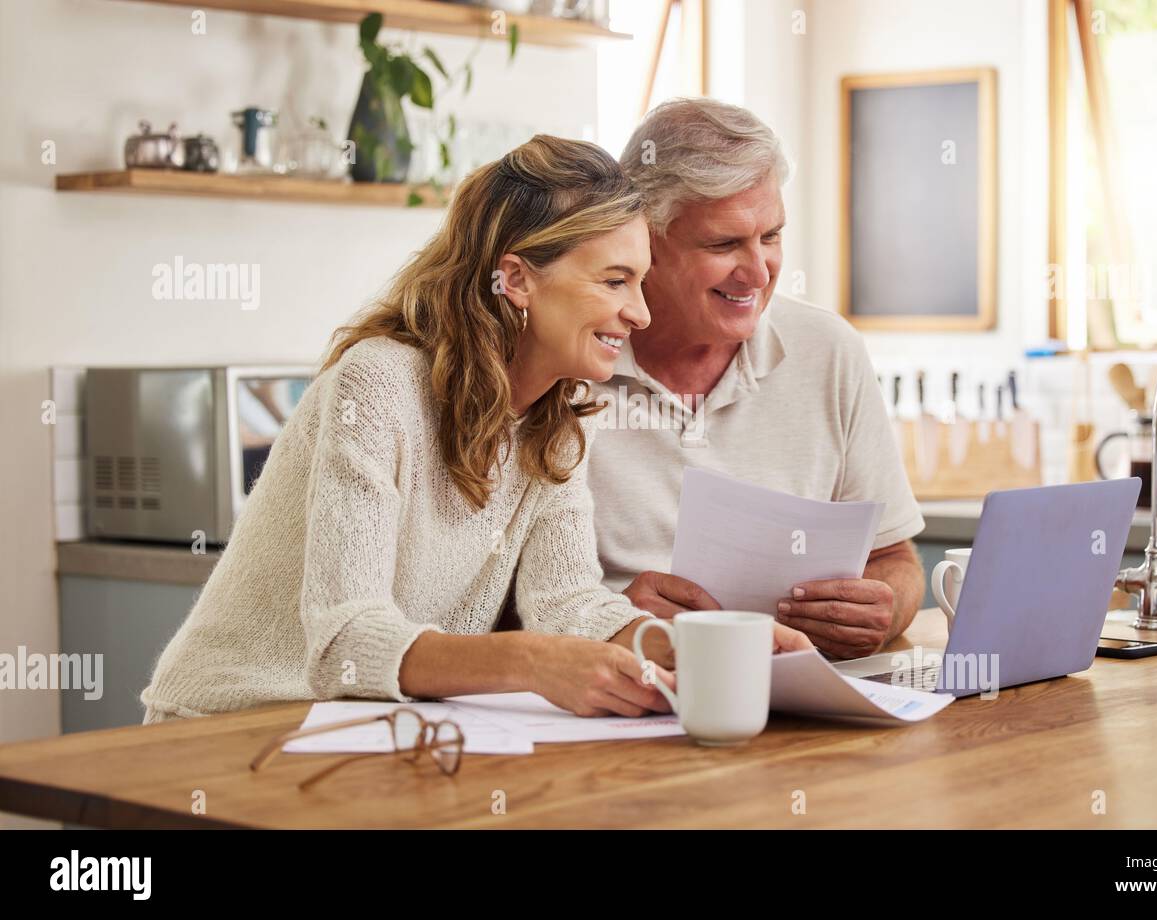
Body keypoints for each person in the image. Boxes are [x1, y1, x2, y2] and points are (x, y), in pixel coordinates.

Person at [142, 135, 812, 725]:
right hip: (231, 724)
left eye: (639, 282)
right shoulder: (377, 385)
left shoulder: (558, 410)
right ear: (517, 279)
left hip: (366, 735)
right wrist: (530, 661)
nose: (638, 314)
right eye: (615, 281)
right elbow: (344, 641)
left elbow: (567, 601)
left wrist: (698, 644)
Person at [589, 99, 927, 660]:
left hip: (796, 697)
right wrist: (607, 619)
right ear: (644, 239)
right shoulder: (571, 358)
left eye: (770, 236)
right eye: (724, 244)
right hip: (622, 697)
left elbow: (896, 561)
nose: (758, 271)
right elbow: (485, 603)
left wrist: (882, 609)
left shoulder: (828, 349)